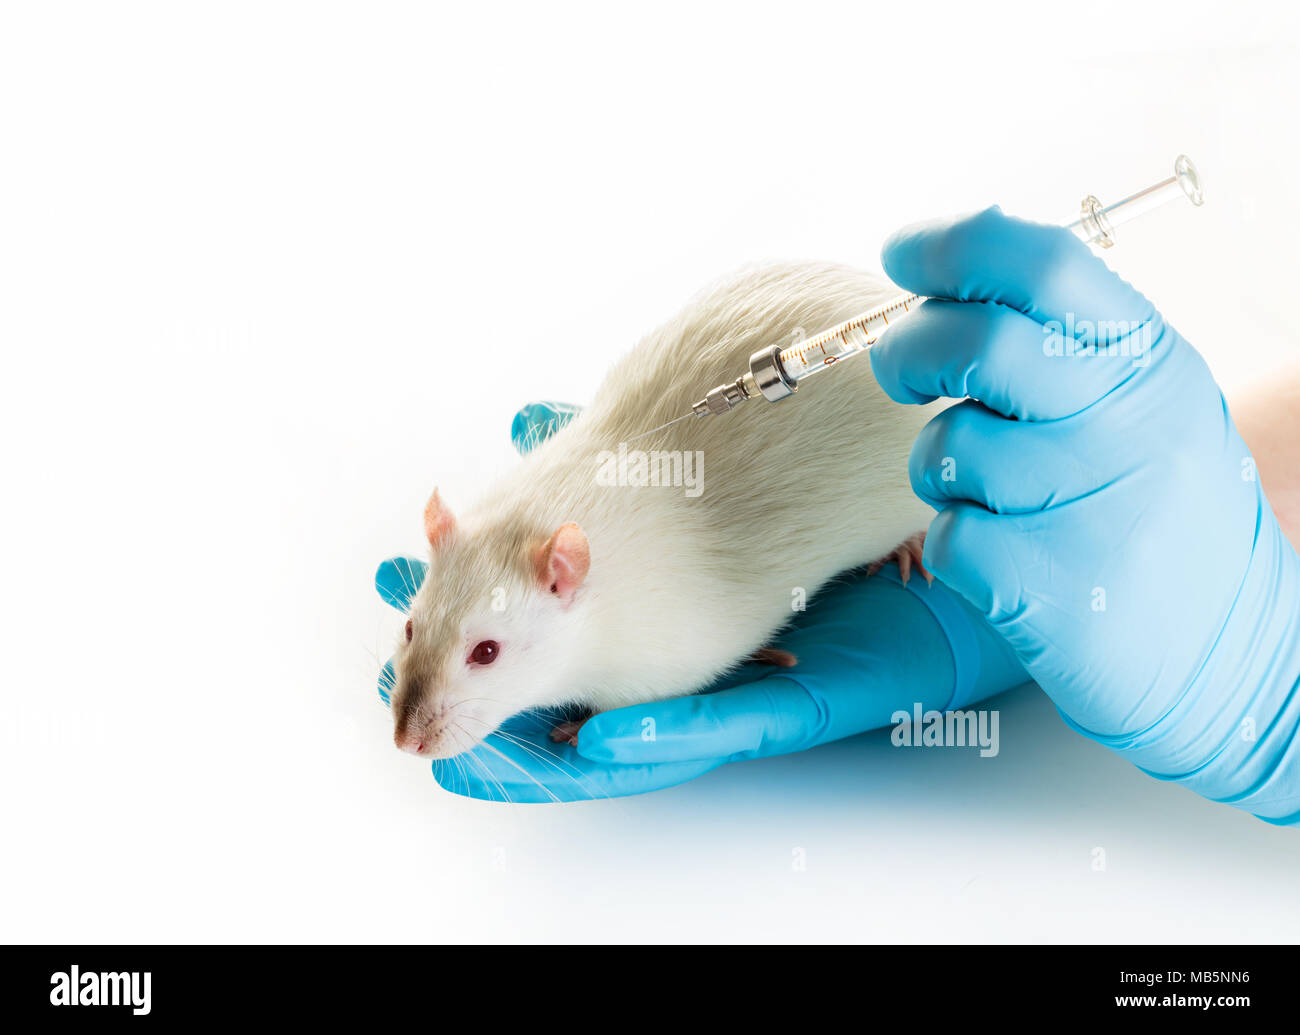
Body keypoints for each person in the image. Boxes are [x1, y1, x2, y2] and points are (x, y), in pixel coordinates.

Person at [375, 208, 1300, 822]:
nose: (412, 729)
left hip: (871, 415)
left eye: (487, 654)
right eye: (421, 627)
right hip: (779, 361)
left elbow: (699, 638)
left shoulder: (610, 590)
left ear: (562, 575)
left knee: (903, 453)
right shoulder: (510, 528)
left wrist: (1265, 685)